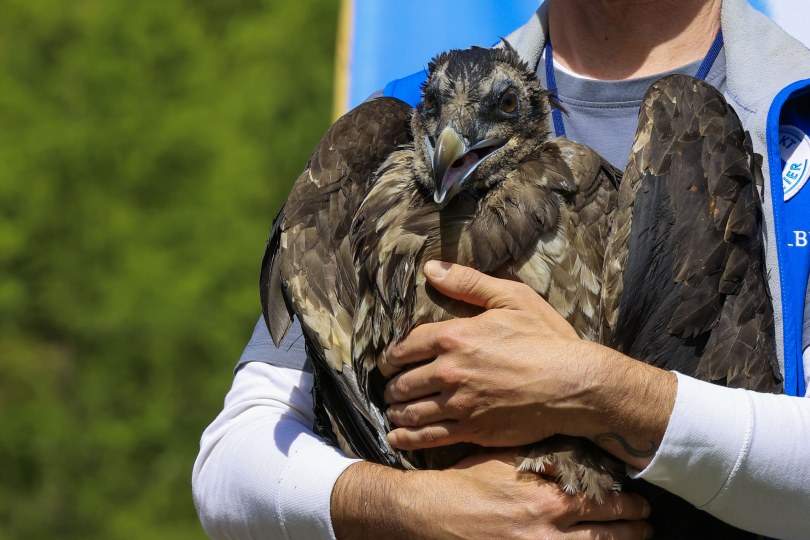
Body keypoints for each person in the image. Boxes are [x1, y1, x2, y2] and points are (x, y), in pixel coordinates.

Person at [192, 0, 810, 538]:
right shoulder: (394, 133)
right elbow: (233, 462)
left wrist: (597, 390)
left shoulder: (796, 116)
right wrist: (416, 509)